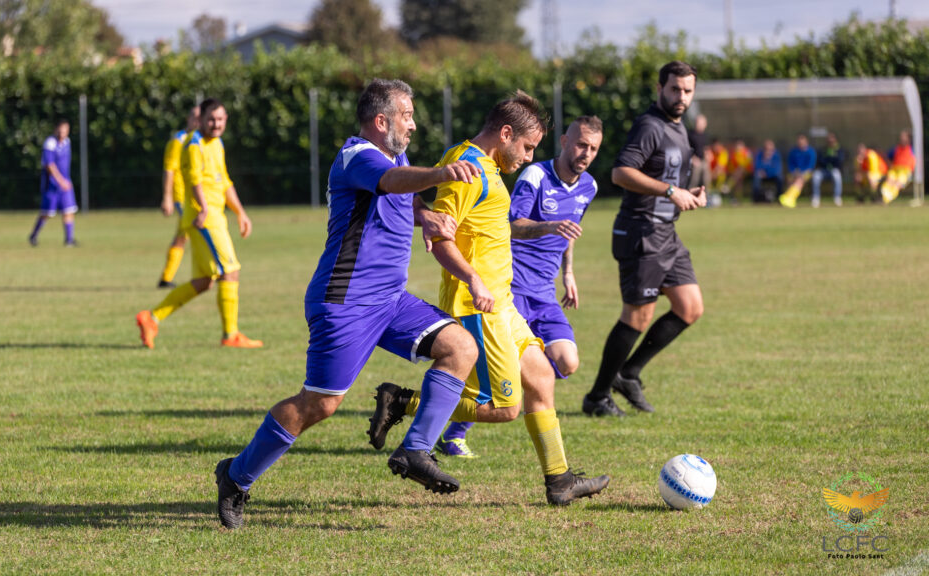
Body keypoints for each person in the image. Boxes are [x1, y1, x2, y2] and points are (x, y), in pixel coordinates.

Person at [213, 79, 483, 530]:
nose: (414, 124)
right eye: (407, 115)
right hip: (346, 301)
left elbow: (396, 192)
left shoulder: (396, 157)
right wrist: (440, 174)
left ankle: (415, 449)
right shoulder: (357, 155)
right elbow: (388, 182)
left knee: (460, 348)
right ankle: (235, 476)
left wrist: (424, 214)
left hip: (391, 301)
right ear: (381, 121)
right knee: (319, 404)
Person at [369, 91, 610, 506]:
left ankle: (559, 480)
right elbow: (440, 238)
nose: (530, 158)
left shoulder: (489, 166)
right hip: (477, 305)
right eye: (528, 147)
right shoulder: (464, 168)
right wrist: (473, 281)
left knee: (541, 375)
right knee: (504, 407)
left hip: (505, 303)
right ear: (504, 134)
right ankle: (403, 402)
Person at [435, 116, 604, 459]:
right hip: (513, 288)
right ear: (565, 142)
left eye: (594, 148)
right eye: (581, 144)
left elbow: (569, 233)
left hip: (544, 291)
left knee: (566, 361)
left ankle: (517, 401)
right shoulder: (535, 175)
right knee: (495, 369)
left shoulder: (590, 187)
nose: (586, 153)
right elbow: (513, 225)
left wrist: (568, 274)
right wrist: (549, 226)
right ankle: (453, 432)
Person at [582, 60, 706, 417]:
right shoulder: (650, 126)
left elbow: (665, 177)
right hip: (641, 231)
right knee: (637, 316)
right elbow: (621, 172)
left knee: (690, 307)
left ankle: (629, 373)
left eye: (687, 91)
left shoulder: (678, 129)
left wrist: (688, 194)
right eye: (674, 89)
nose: (681, 97)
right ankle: (597, 397)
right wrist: (670, 191)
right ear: (659, 89)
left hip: (666, 232)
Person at [135, 98, 263, 350]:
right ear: (201, 119)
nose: (216, 124)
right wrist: (204, 208)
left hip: (214, 215)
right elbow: (193, 180)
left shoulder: (216, 143)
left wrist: (241, 212)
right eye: (211, 119)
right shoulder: (193, 144)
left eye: (221, 119)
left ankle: (151, 318)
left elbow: (224, 181)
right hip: (205, 218)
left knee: (204, 281)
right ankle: (231, 334)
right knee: (230, 270)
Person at [156, 105, 200, 288]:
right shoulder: (179, 141)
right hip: (182, 198)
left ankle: (166, 278)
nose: (198, 121)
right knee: (193, 233)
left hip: (195, 197)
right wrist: (167, 197)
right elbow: (169, 170)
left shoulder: (200, 140)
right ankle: (205, 274)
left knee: (183, 236)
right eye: (195, 118)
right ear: (188, 119)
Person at [28, 119, 76, 246]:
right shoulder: (50, 143)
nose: (62, 133)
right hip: (53, 184)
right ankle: (33, 235)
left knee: (69, 210)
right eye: (60, 130)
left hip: (65, 183)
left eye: (65, 131)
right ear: (56, 129)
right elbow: (50, 165)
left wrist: (66, 181)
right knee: (47, 213)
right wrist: (60, 181)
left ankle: (69, 240)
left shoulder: (67, 142)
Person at [778, 133, 817, 208]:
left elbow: (810, 166)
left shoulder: (811, 152)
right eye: (799, 142)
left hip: (807, 173)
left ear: (806, 142)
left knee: (800, 180)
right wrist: (795, 172)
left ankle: (789, 198)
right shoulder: (793, 152)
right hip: (795, 172)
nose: (801, 144)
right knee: (789, 179)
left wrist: (802, 173)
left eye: (802, 142)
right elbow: (790, 165)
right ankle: (790, 199)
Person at [880, 131, 916, 205]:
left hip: (905, 171)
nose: (901, 138)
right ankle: (885, 198)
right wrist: (889, 164)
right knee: (889, 181)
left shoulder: (912, 149)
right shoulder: (896, 149)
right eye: (901, 137)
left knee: (898, 184)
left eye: (904, 137)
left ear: (908, 139)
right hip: (895, 170)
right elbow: (886, 156)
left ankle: (886, 199)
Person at [811, 132, 845, 207]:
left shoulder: (839, 150)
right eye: (829, 140)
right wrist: (829, 159)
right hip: (824, 170)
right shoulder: (823, 149)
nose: (830, 142)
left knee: (837, 176)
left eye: (832, 140)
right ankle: (816, 198)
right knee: (816, 176)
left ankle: (837, 198)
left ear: (835, 140)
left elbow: (839, 161)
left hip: (834, 170)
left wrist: (831, 158)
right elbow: (820, 160)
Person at [725, 138, 753, 204]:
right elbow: (731, 166)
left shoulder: (747, 152)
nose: (738, 147)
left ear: (743, 146)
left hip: (747, 171)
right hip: (737, 174)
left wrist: (740, 167)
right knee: (738, 181)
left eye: (740, 146)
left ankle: (729, 185)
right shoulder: (734, 154)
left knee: (740, 169)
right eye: (737, 146)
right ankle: (738, 200)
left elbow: (748, 163)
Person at [687, 114, 710, 191]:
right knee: (694, 179)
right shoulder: (689, 134)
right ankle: (690, 194)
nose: (699, 125)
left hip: (703, 160)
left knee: (706, 179)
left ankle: (705, 196)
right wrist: (692, 158)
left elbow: (706, 148)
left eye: (701, 123)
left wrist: (708, 154)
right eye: (698, 123)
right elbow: (686, 148)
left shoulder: (705, 135)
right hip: (694, 161)